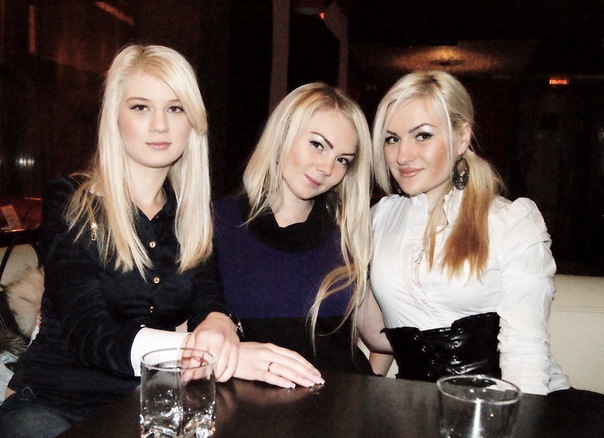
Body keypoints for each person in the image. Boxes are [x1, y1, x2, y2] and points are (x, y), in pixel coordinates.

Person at [0, 44, 246, 438]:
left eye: (175, 108)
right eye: (141, 107)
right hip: (54, 402)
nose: (160, 125)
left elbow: (209, 301)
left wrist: (220, 324)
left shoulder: (192, 215)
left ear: (193, 121)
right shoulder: (71, 200)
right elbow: (90, 333)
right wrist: (200, 350)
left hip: (150, 403)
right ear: (116, 115)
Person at [362, 70, 570, 395]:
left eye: (422, 135)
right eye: (392, 139)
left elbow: (525, 355)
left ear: (461, 138)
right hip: (416, 405)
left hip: (507, 401)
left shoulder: (509, 222)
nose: (402, 156)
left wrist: (510, 419)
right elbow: (382, 334)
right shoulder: (380, 218)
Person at [213, 82, 375, 383]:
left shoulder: (348, 234)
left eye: (342, 160)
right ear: (282, 134)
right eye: (318, 144)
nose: (327, 167)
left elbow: (379, 338)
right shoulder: (217, 222)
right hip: (243, 402)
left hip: (339, 400)